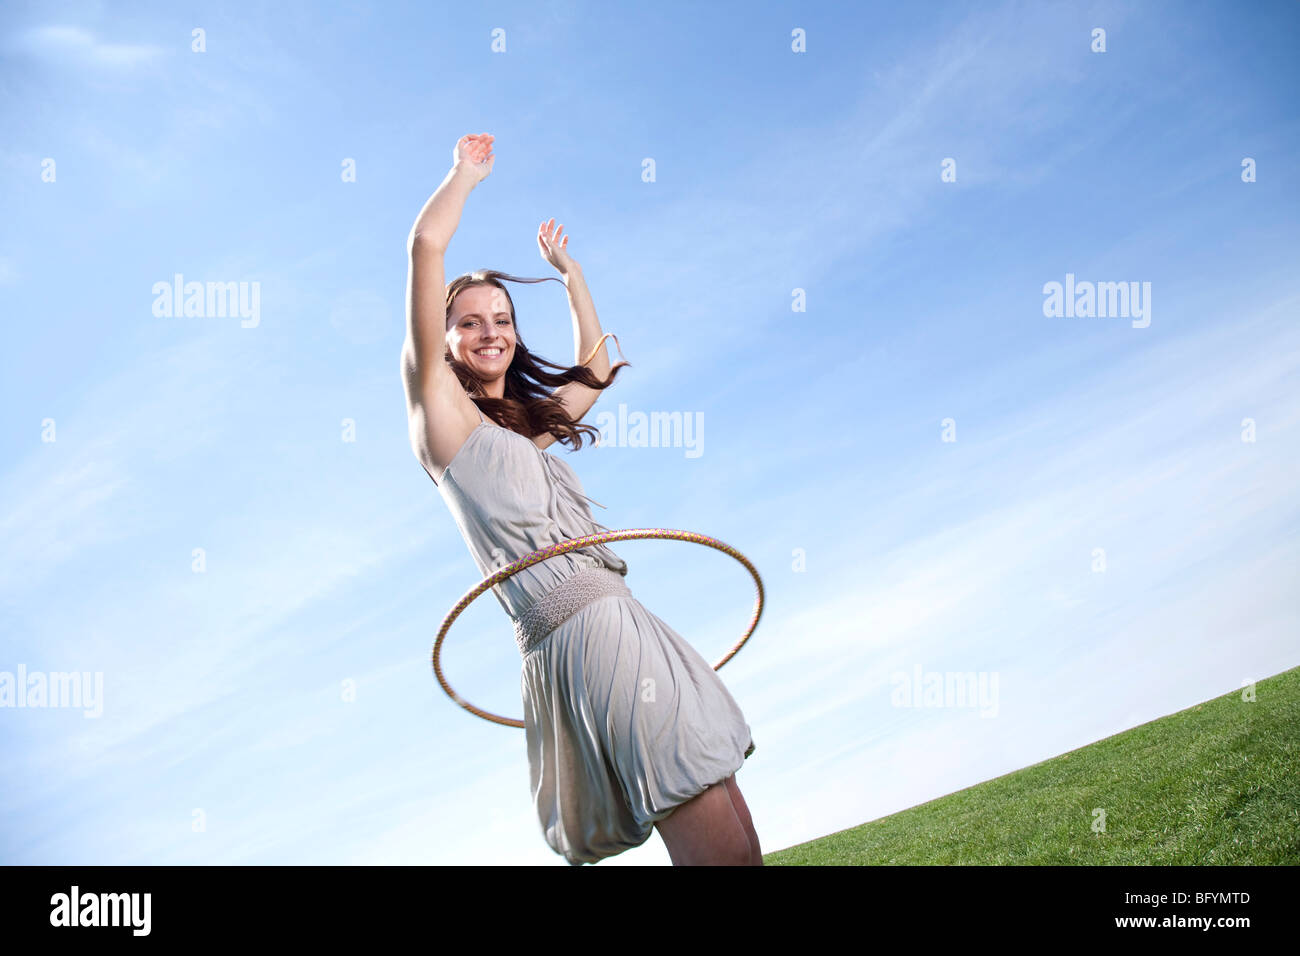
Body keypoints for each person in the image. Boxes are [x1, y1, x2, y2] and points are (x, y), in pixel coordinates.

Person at [400, 133, 761, 866]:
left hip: (617, 610)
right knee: (693, 789)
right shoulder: (440, 419)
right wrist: (465, 177)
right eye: (469, 321)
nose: (490, 332)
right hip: (578, 629)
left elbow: (594, 374)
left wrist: (572, 277)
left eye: (502, 319)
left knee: (723, 799)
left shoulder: (523, 434)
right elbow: (424, 249)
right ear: (441, 339)